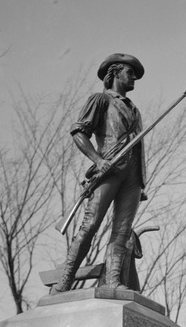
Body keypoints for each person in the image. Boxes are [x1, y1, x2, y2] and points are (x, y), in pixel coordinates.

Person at [53, 53, 147, 293]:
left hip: (134, 177)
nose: (134, 78)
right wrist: (97, 159)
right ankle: (65, 281)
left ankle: (113, 281)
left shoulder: (135, 110)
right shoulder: (101, 100)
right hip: (109, 171)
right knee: (90, 226)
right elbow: (79, 132)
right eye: (129, 73)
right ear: (115, 73)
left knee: (122, 231)